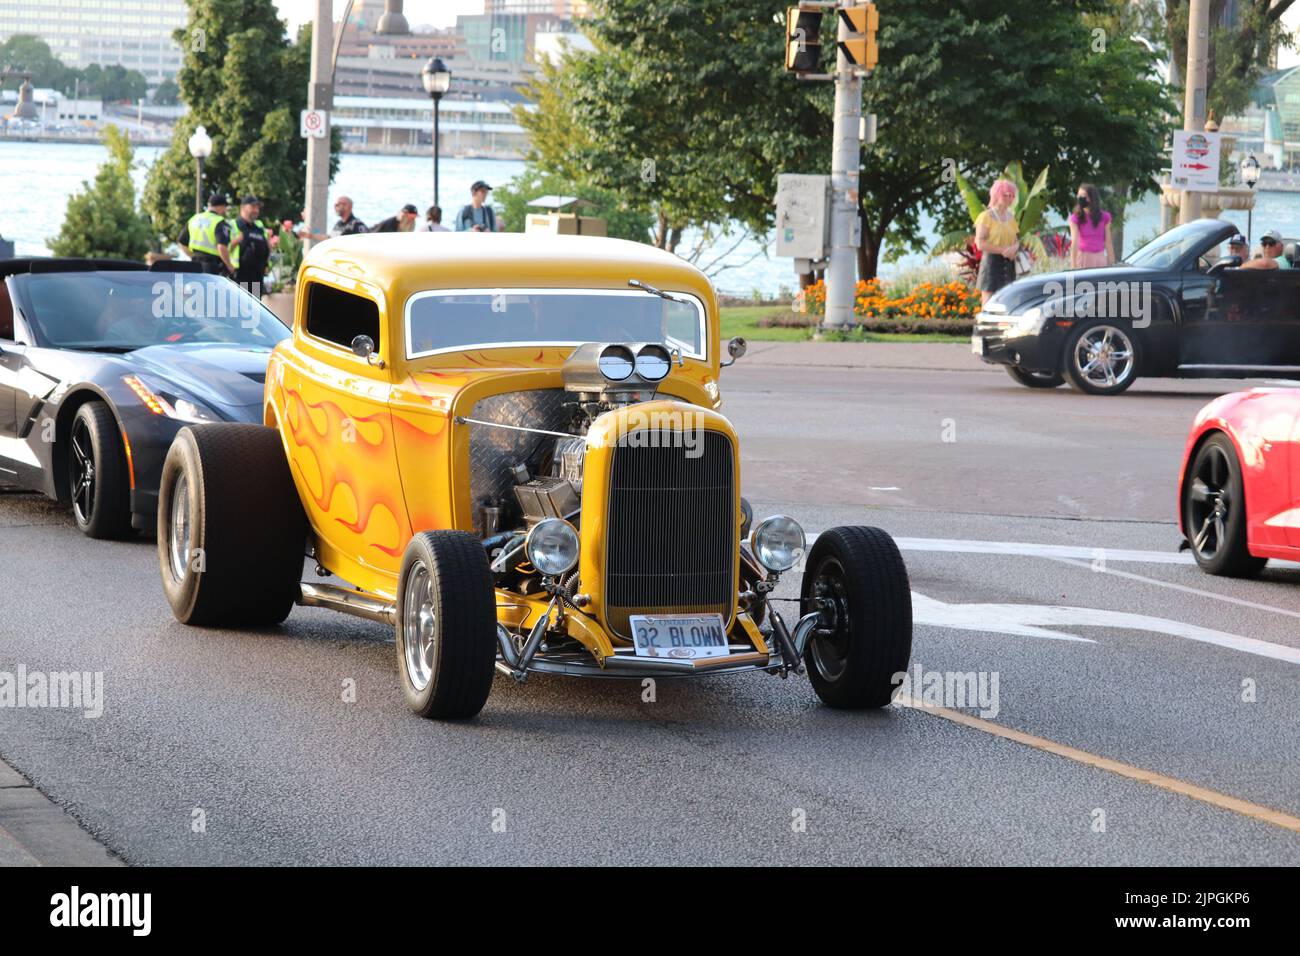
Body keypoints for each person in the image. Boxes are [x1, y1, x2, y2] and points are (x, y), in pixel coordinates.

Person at [975, 179, 1019, 304]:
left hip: (1009, 264)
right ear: (997, 195)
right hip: (991, 264)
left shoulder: (1011, 217)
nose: (1009, 198)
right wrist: (1003, 250)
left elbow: (1016, 240)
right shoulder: (985, 216)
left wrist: (1013, 249)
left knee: (1008, 303)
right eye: (1006, 195)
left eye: (1012, 196)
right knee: (989, 304)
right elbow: (980, 243)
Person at [178, 192, 235, 276]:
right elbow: (221, 247)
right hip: (212, 266)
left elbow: (181, 243)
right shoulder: (219, 221)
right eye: (225, 207)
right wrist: (229, 265)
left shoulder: (194, 218)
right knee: (210, 288)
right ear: (221, 206)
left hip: (194, 265)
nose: (225, 210)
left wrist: (193, 256)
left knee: (198, 288)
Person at [228, 195, 271, 295]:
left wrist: (266, 264)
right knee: (240, 307)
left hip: (257, 275)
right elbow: (223, 249)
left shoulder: (259, 226)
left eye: (258, 208)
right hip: (239, 275)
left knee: (254, 307)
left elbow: (268, 247)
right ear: (243, 207)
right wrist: (237, 240)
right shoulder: (233, 224)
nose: (256, 210)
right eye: (253, 207)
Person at [1068, 183, 1113, 269]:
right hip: (1083, 257)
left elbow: (1108, 241)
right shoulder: (1075, 218)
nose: (1081, 198)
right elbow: (1075, 242)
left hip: (1100, 257)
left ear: (1092, 198)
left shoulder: (1104, 217)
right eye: (1079, 196)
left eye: (1084, 196)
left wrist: (1112, 261)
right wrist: (1073, 264)